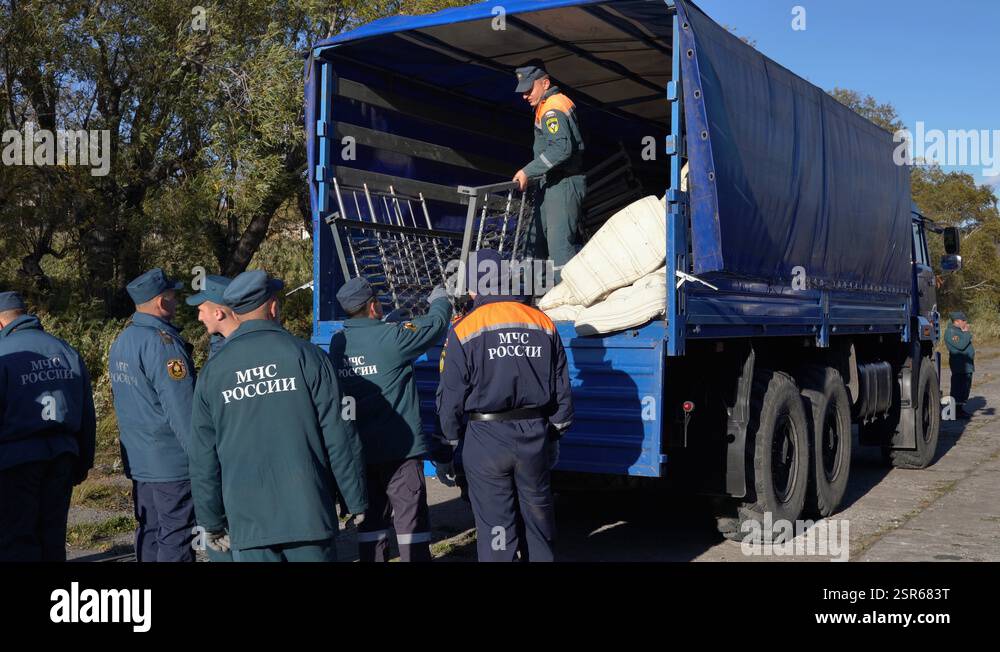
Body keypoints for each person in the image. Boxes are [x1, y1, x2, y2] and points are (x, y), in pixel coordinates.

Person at [189, 270, 367, 562]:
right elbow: (340, 434)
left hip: (247, 525)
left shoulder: (213, 373)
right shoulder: (308, 357)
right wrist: (355, 497)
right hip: (307, 516)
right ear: (273, 307)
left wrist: (211, 520)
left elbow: (202, 456)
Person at [436, 249, 573, 561]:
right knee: (539, 525)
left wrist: (445, 448)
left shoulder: (464, 329)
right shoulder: (542, 322)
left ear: (474, 286)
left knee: (497, 530)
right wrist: (553, 436)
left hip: (485, 440)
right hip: (534, 436)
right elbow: (561, 391)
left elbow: (451, 398)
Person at [329, 277, 452, 562]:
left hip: (362, 453)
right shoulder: (393, 337)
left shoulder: (338, 343)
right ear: (373, 306)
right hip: (400, 453)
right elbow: (434, 326)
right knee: (412, 525)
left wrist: (389, 325)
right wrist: (440, 300)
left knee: (371, 526)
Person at [0, 291, 96, 562]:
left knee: (16, 539)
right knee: (53, 537)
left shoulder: (3, 354)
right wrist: (84, 462)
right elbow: (87, 413)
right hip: (63, 455)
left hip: (15, 462)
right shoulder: (65, 349)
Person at [109, 268, 197, 562]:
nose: (177, 301)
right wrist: (202, 458)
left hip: (141, 458)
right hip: (170, 462)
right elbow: (181, 409)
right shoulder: (163, 344)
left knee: (149, 529)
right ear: (162, 302)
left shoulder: (123, 341)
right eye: (173, 295)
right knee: (176, 535)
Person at [512, 60, 586, 282]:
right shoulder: (545, 107)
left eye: (528, 89)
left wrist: (527, 171)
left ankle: (567, 310)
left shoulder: (553, 106)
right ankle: (536, 304)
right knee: (535, 246)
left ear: (545, 83)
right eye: (522, 91)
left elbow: (561, 149)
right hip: (551, 184)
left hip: (562, 184)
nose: (525, 96)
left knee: (559, 250)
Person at [184, 273, 234, 562]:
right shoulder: (220, 349)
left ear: (219, 311)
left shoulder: (225, 360)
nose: (198, 315)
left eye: (202, 307)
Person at [186, 275, 236, 360]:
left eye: (201, 311)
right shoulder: (218, 340)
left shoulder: (243, 346)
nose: (199, 318)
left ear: (218, 314)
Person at [944, 311, 975, 419]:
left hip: (967, 365)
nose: (965, 322)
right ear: (956, 321)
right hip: (959, 365)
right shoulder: (951, 332)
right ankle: (955, 412)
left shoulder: (959, 330)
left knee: (965, 388)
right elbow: (961, 345)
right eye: (963, 320)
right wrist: (966, 333)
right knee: (958, 388)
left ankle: (960, 409)